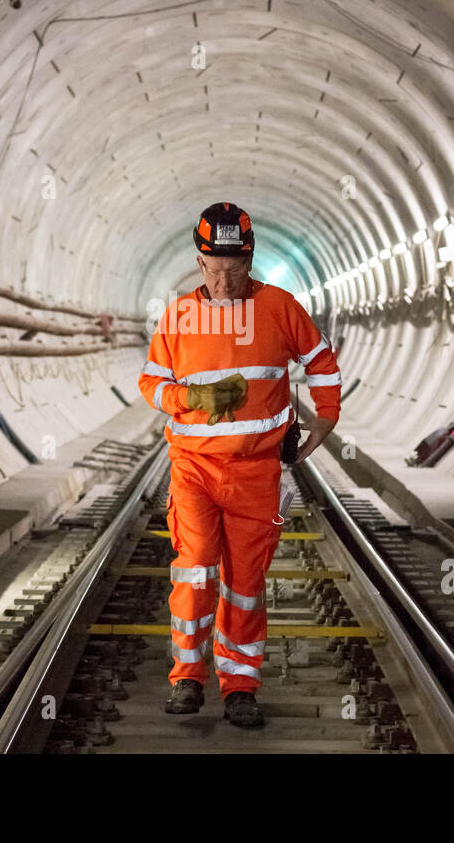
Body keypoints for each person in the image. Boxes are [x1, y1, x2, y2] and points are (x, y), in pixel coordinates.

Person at [137, 202, 342, 728]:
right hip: (193, 469)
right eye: (213, 270)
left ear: (249, 260)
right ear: (199, 262)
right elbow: (151, 383)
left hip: (256, 473)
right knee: (198, 566)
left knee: (245, 583)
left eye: (233, 271)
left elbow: (320, 360)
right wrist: (190, 401)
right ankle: (187, 675)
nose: (223, 282)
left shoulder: (279, 308)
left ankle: (241, 685)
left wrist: (325, 419)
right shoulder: (179, 315)